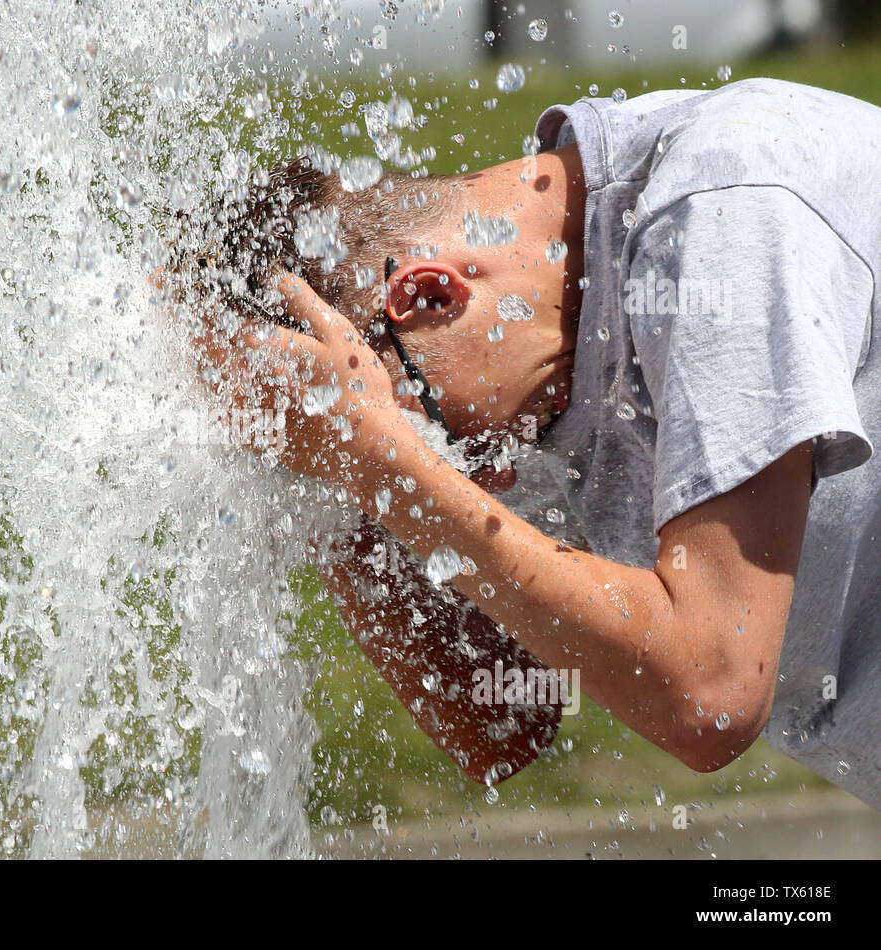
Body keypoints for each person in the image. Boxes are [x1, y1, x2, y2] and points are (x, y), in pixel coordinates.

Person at [180, 77, 881, 808]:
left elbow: (709, 691)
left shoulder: (721, 212)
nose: (491, 479)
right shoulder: (525, 354)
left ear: (426, 297)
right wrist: (337, 483)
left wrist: (381, 459)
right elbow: (505, 719)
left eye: (432, 442)